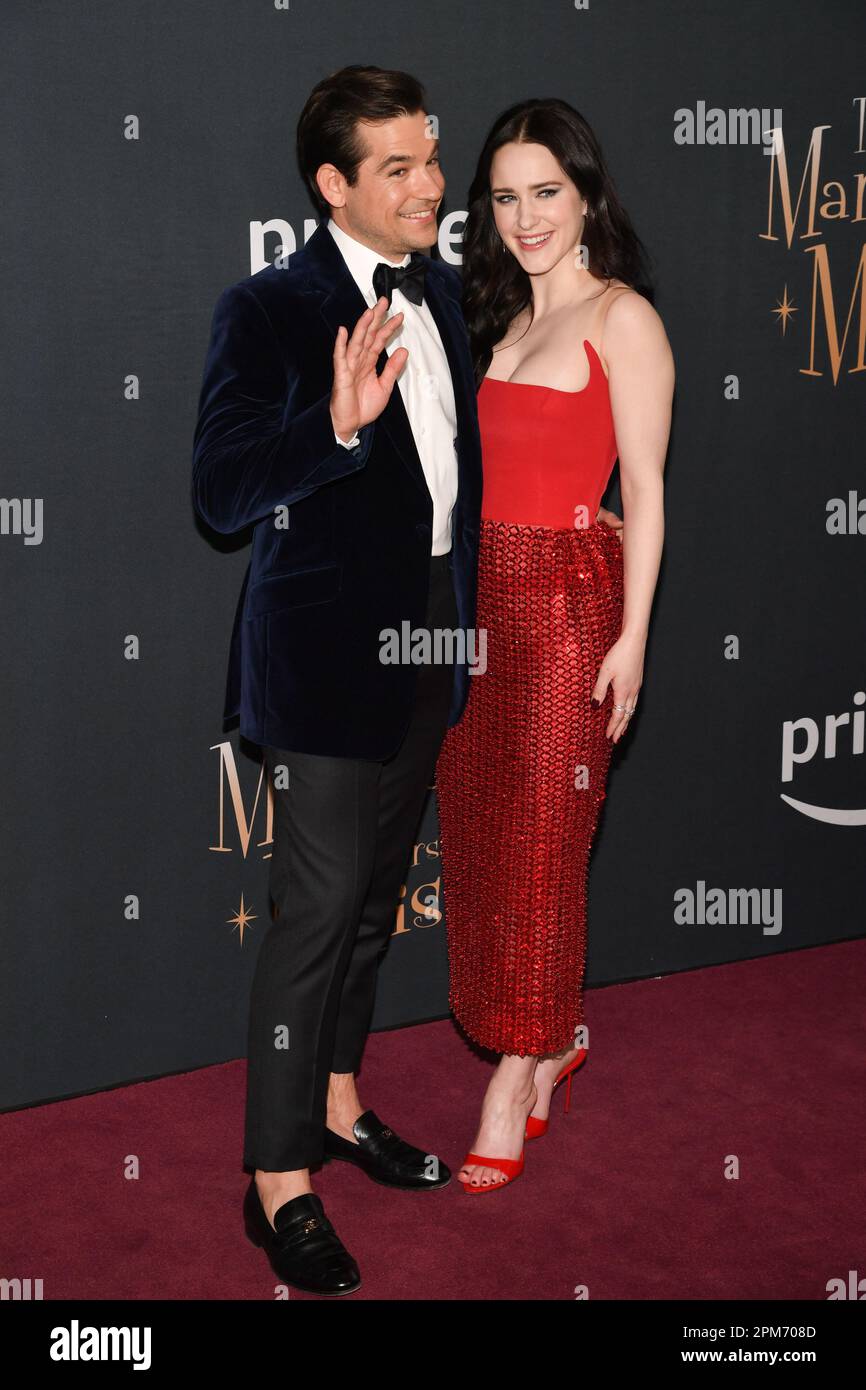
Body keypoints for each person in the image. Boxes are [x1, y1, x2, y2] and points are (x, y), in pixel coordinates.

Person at [191, 65, 486, 1295]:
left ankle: (338, 1101)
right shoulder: (267, 307)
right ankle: (275, 1180)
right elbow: (218, 494)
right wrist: (338, 423)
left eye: (431, 158)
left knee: (371, 906)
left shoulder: (448, 297)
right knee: (313, 920)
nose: (431, 185)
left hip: (429, 629)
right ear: (333, 185)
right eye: (401, 168)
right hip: (318, 660)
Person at [434, 98, 674, 1192]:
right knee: (486, 845)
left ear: (585, 197)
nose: (525, 216)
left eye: (546, 191)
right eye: (505, 196)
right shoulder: (497, 324)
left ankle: (515, 1071)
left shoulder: (622, 317)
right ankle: (551, 1032)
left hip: (569, 614)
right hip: (479, 612)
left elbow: (646, 491)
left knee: (541, 848)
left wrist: (630, 637)